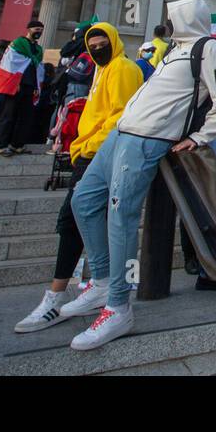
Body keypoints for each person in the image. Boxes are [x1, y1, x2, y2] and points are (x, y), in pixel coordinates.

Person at [58, 0, 216, 350]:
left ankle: (118, 306)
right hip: (120, 134)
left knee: (121, 215)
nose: (167, 23)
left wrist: (201, 137)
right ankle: (103, 281)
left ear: (186, 18)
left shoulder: (208, 48)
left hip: (148, 139)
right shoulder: (175, 50)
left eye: (172, 17)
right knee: (83, 200)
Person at [14, 22, 144, 333]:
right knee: (79, 217)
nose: (97, 48)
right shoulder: (104, 70)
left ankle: (65, 295)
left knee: (75, 218)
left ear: (113, 41)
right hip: (88, 154)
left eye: (102, 42)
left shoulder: (122, 68)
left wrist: (87, 145)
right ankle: (95, 285)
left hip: (99, 155)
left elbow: (122, 117)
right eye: (92, 44)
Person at [0, 19, 44, 156]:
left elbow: (37, 68)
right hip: (16, 84)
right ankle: (1, 145)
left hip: (30, 85)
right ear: (29, 29)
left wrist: (37, 85)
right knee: (8, 115)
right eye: (36, 29)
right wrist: (15, 82)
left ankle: (17, 144)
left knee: (25, 117)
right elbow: (11, 63)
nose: (39, 32)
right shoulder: (19, 43)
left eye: (41, 29)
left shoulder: (38, 49)